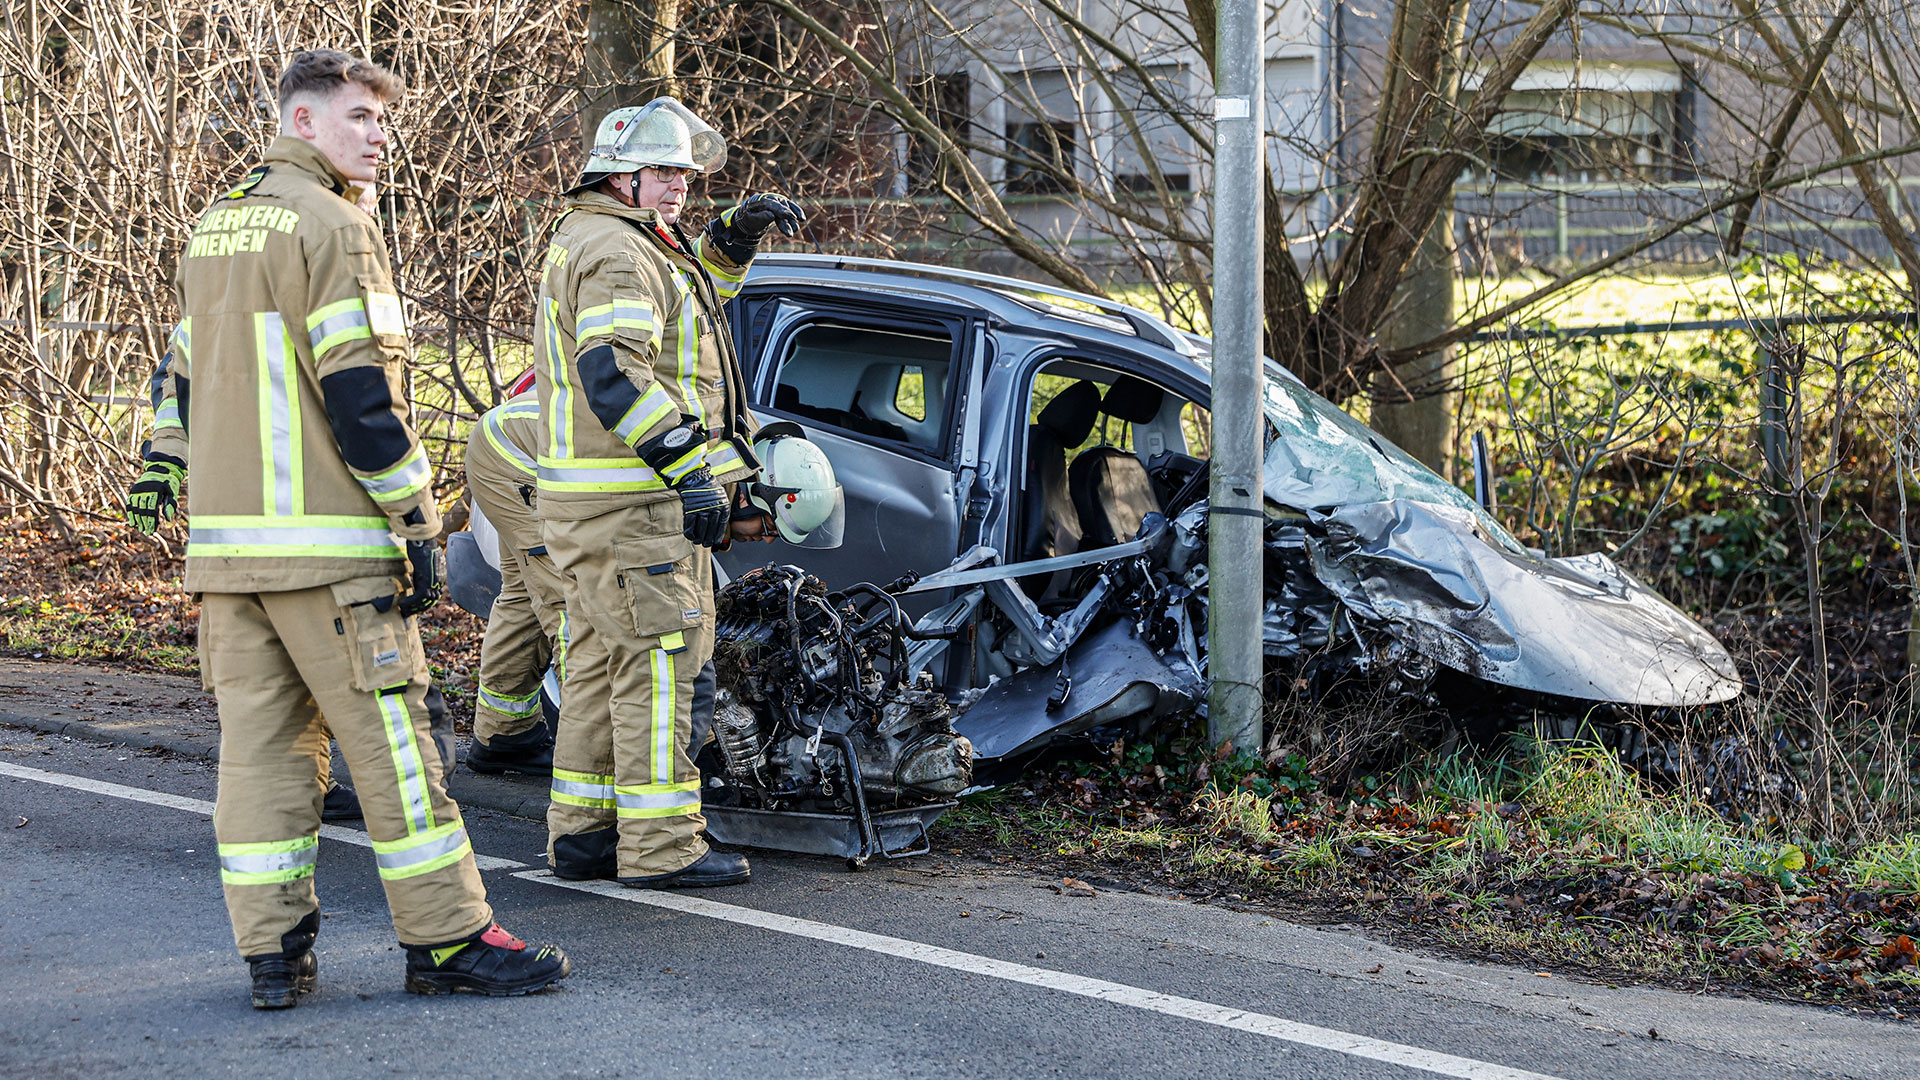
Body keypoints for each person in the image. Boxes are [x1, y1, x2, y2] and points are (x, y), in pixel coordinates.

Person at [123, 48, 568, 1008]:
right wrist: (416, 518)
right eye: (360, 117)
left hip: (231, 558)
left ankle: (273, 953)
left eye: (382, 119)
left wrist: (163, 461)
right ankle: (449, 940)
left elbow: (180, 371)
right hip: (332, 554)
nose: (379, 136)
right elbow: (363, 396)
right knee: (395, 749)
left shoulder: (214, 226)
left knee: (260, 753)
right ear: (302, 120)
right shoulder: (335, 226)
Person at [532, 97, 801, 886]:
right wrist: (689, 470)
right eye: (663, 170)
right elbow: (615, 374)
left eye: (686, 170)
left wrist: (735, 239)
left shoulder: (609, 237)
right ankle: (661, 846)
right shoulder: (619, 252)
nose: (681, 183)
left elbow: (689, 298)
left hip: (590, 505)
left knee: (594, 665)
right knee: (660, 668)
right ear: (619, 177)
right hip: (635, 502)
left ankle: (584, 835)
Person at [463, 392, 562, 775]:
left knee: (525, 595)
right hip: (513, 457)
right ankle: (592, 753)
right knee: (573, 600)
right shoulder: (692, 474)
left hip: (509, 448)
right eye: (766, 525)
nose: (766, 538)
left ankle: (504, 733)